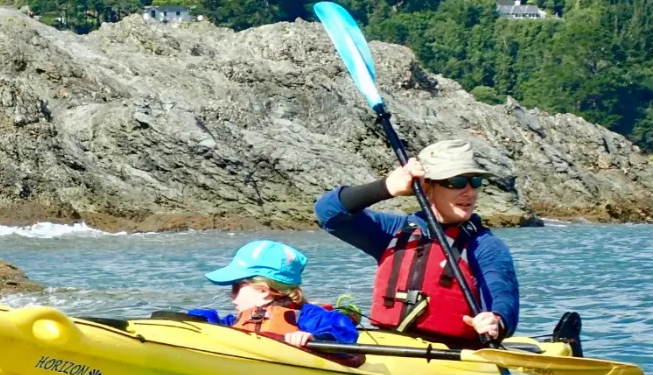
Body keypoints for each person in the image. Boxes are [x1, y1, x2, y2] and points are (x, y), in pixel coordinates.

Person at [313, 138, 519, 345]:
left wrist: (496, 320)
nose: (469, 192)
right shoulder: (393, 231)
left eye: (475, 182)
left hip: (452, 352)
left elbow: (503, 298)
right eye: (456, 182)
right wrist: (386, 187)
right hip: (388, 344)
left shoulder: (484, 246)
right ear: (426, 186)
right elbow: (327, 212)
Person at [188, 239, 360, 349]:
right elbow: (214, 322)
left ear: (263, 291)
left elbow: (343, 331)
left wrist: (313, 337)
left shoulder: (308, 318)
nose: (231, 295)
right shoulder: (238, 320)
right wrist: (190, 319)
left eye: (236, 287)